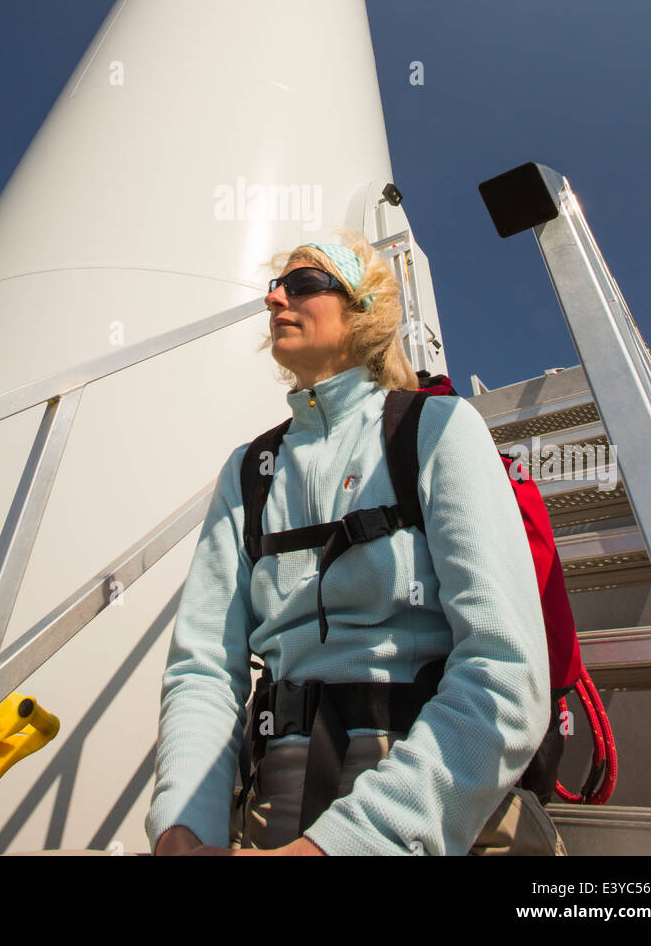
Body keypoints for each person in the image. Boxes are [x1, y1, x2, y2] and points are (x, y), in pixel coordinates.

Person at [145, 230, 556, 856]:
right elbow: (203, 667)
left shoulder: (437, 430)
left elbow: (505, 672)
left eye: (303, 283)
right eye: (273, 287)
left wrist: (341, 846)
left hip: (438, 800)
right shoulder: (248, 470)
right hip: (272, 805)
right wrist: (182, 831)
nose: (274, 298)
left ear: (364, 307)